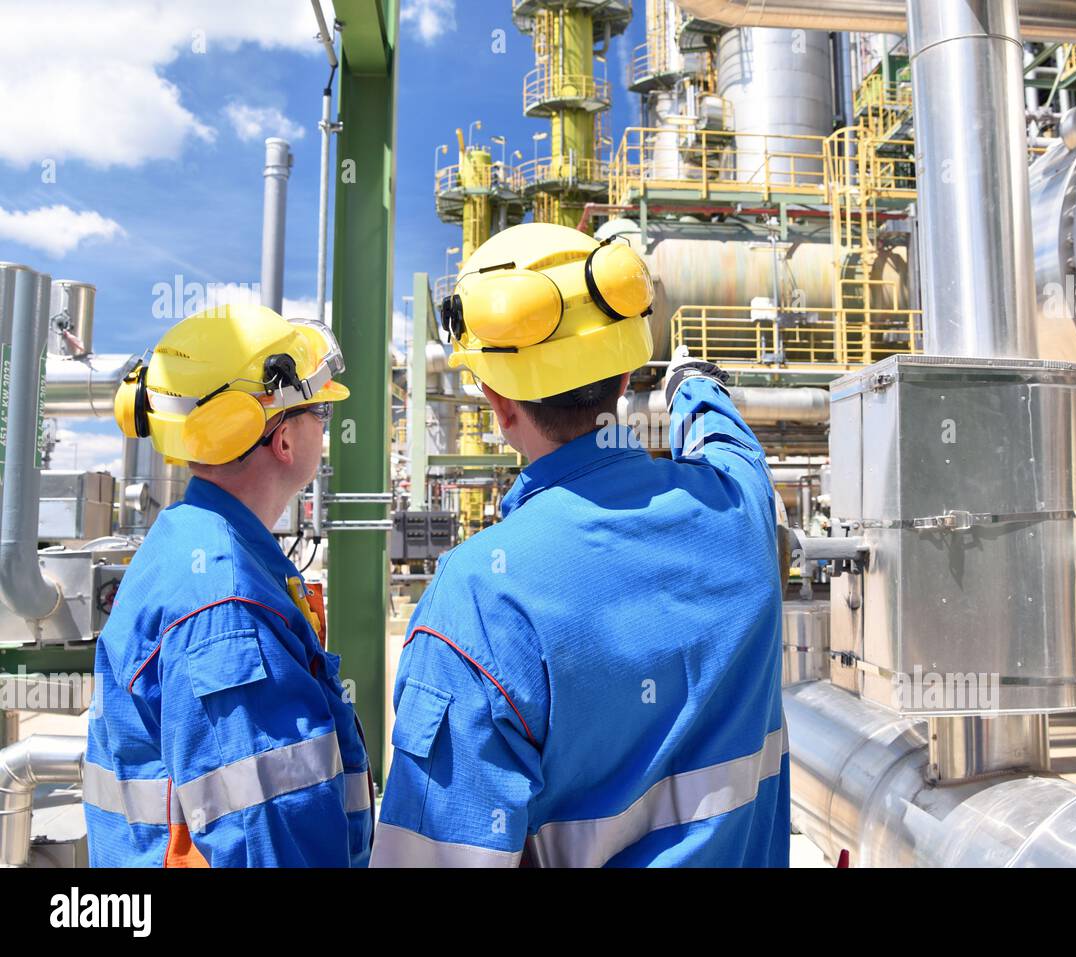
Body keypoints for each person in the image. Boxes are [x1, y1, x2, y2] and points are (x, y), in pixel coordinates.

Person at [373, 223, 789, 867]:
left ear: (497, 402)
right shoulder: (739, 513)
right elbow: (729, 444)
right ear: (624, 377)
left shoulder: (481, 600)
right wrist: (693, 385)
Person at [84, 304, 373, 867]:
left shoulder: (196, 544)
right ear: (283, 440)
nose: (326, 425)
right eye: (320, 412)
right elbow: (267, 837)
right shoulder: (226, 608)